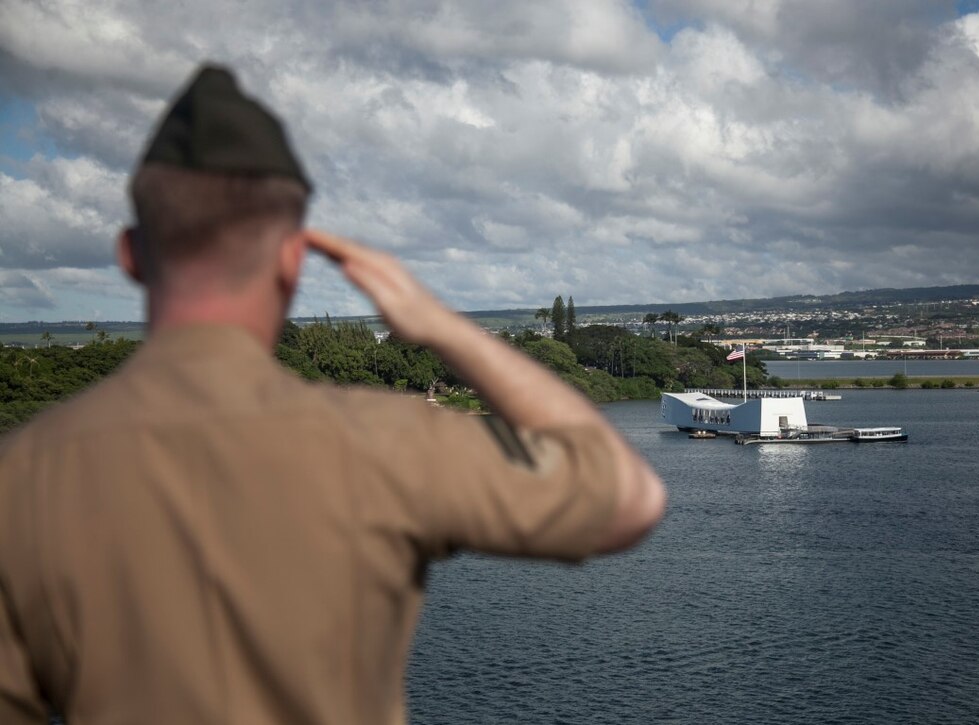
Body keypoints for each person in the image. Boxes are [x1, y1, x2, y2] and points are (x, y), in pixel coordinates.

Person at [0, 65, 664, 724]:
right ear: (292, 259)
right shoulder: (384, 442)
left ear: (130, 256)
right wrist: (440, 325)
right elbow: (629, 499)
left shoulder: (22, 479)